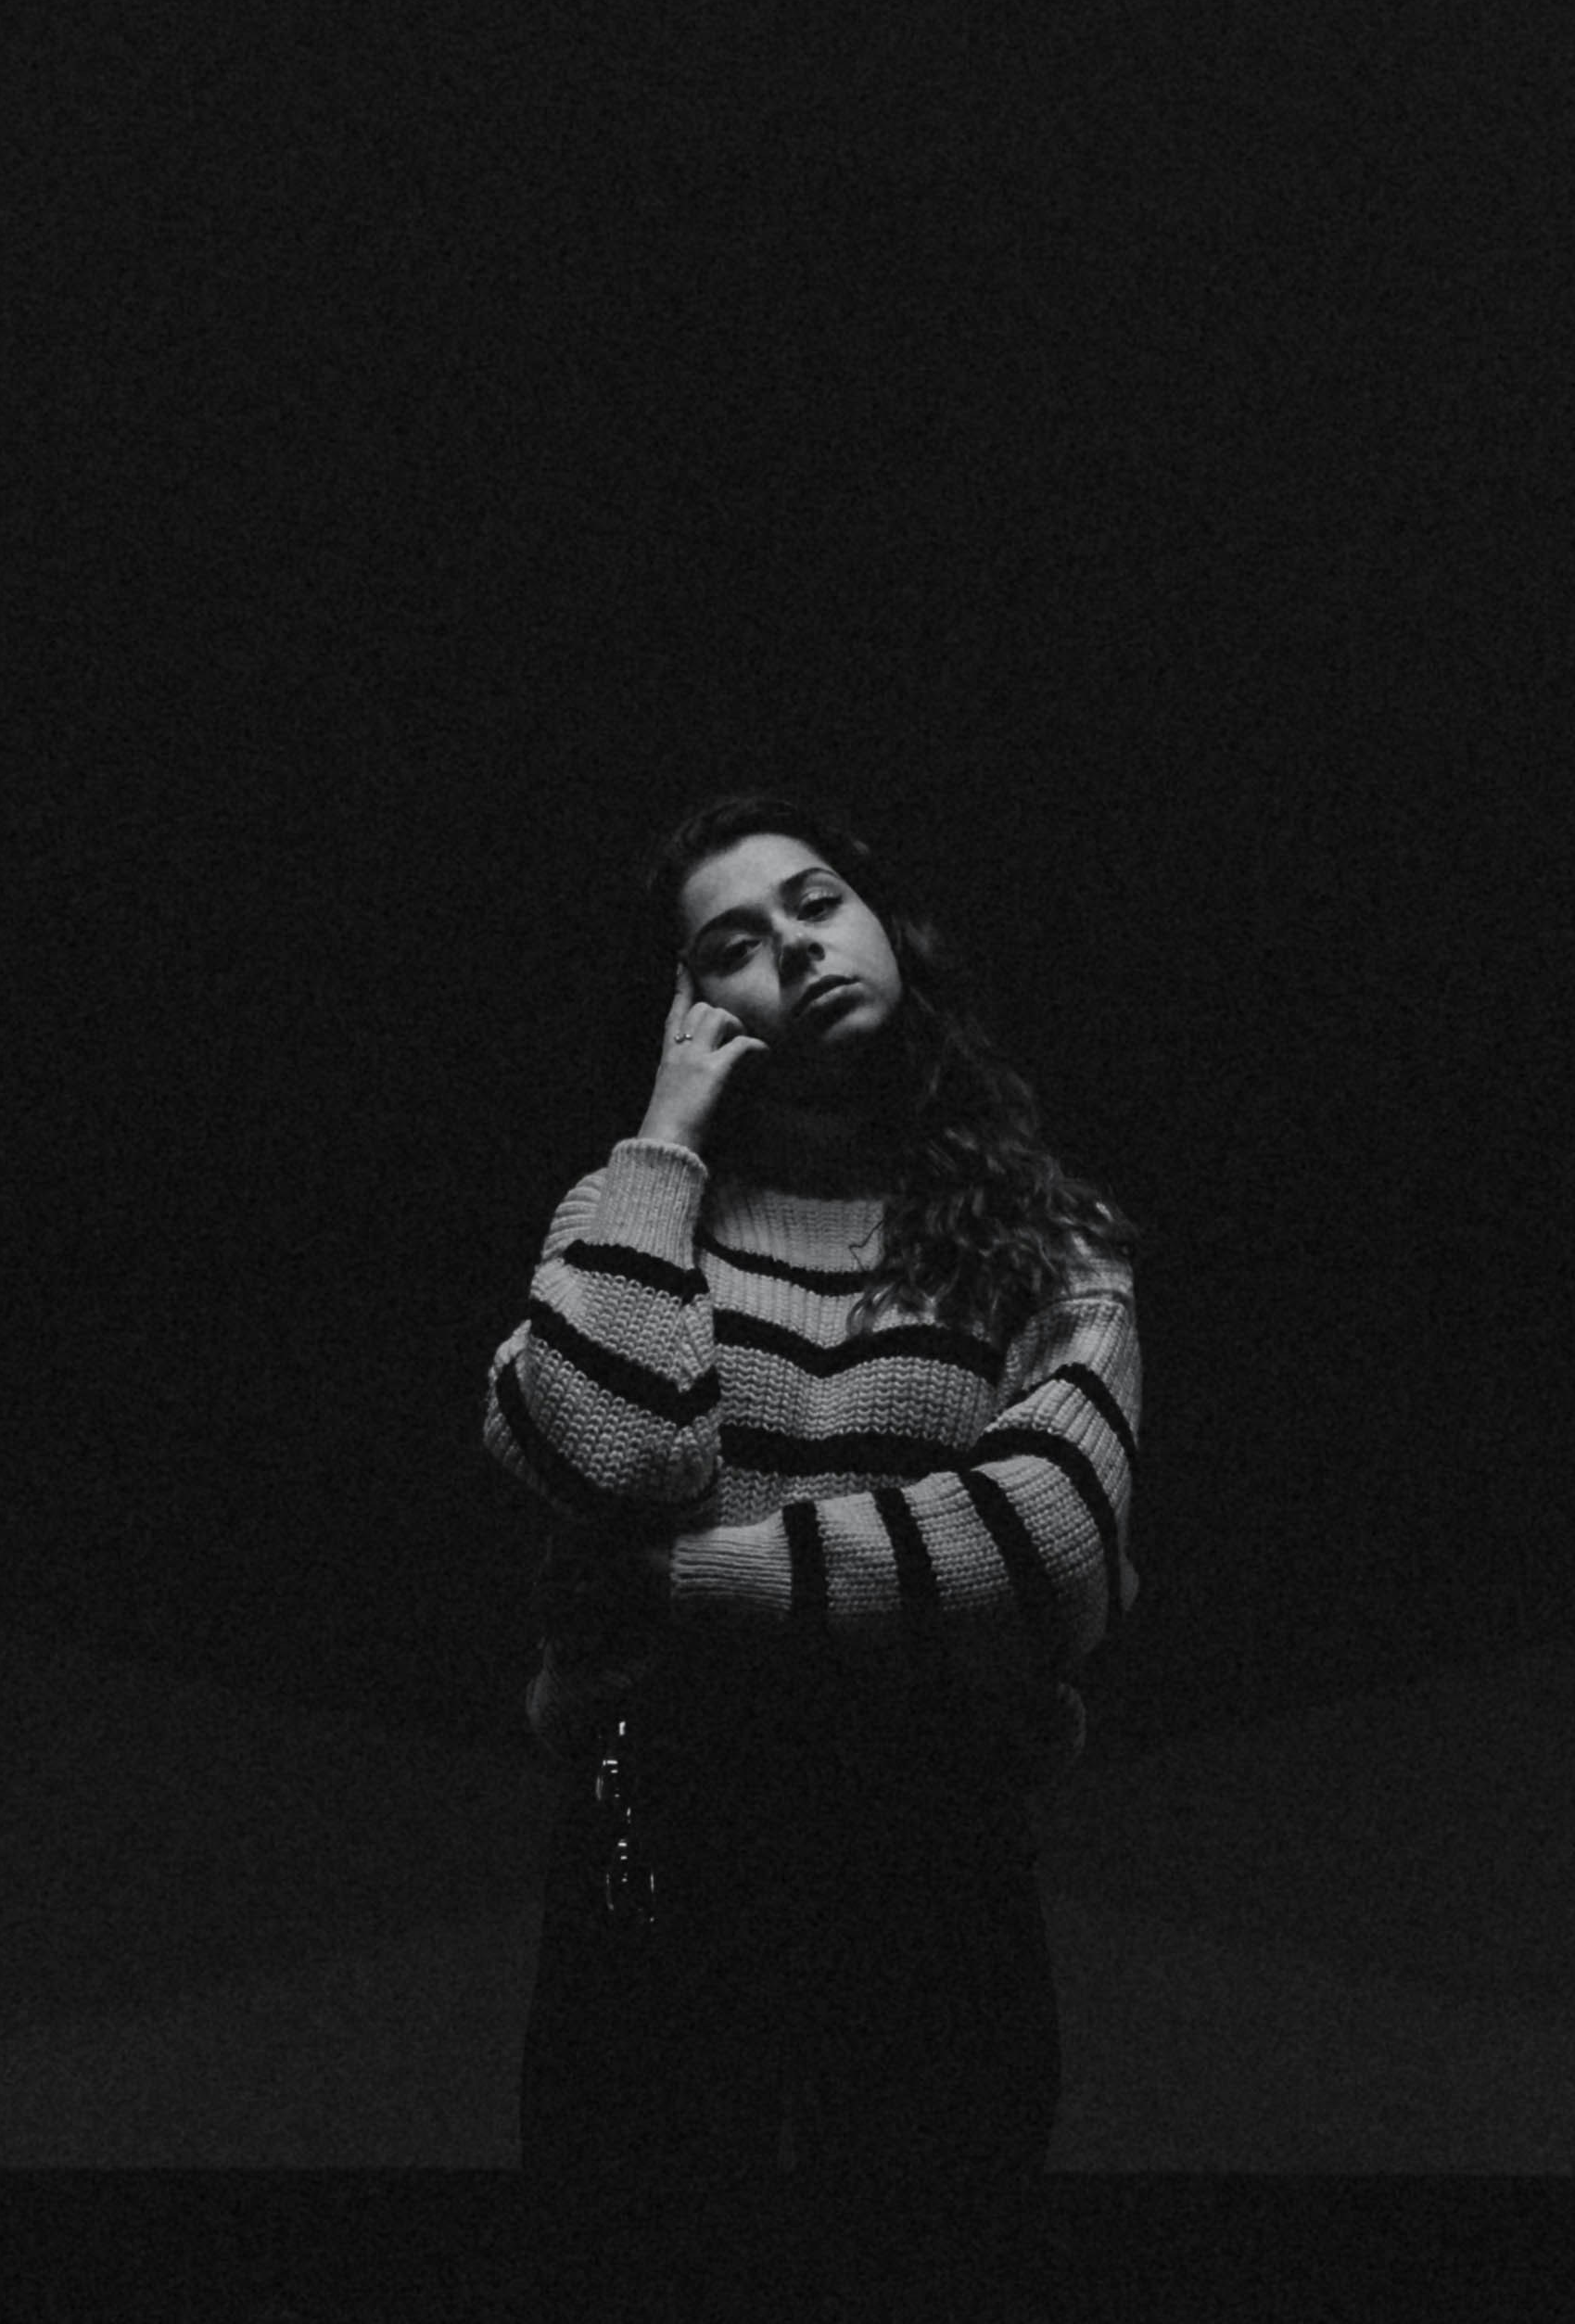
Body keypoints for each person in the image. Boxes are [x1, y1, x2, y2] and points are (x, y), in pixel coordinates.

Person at [481, 789, 1144, 2324]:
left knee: (927, 2271)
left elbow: (1045, 1546)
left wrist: (680, 1584)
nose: (791, 945)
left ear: (887, 925)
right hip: (662, 1843)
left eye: (815, 902)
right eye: (731, 944)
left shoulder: (1054, 1243)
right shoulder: (629, 1212)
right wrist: (665, 1141)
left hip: (931, 1849)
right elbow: (607, 1448)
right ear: (689, 1007)